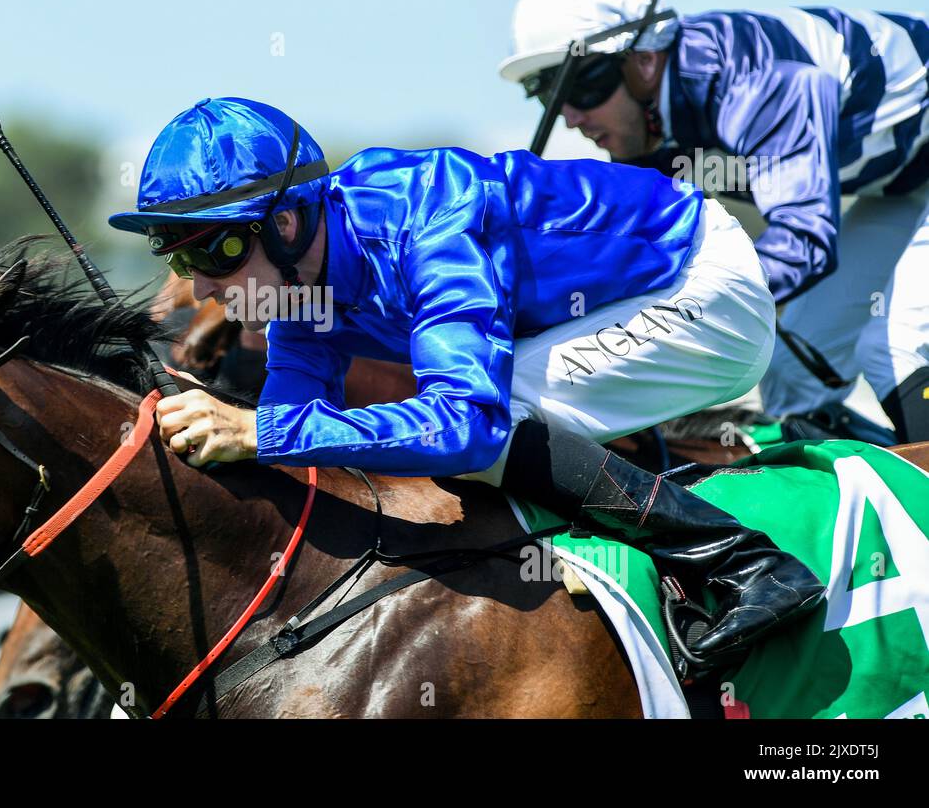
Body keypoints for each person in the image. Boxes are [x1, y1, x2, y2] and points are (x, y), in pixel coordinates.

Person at [108, 96, 823, 667]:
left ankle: (746, 564)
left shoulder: (430, 212)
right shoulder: (300, 295)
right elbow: (294, 433)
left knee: (489, 424)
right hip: (600, 310)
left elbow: (464, 425)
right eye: (178, 258)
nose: (200, 284)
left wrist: (258, 430)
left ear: (287, 223)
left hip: (702, 283)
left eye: (218, 250)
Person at [499, 0, 929, 443]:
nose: (572, 117)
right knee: (792, 376)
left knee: (896, 346)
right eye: (546, 93)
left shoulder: (754, 83)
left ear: (644, 59)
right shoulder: (650, 121)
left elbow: (805, 242)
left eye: (580, 87)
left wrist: (676, 308)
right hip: (899, 185)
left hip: (905, 175)